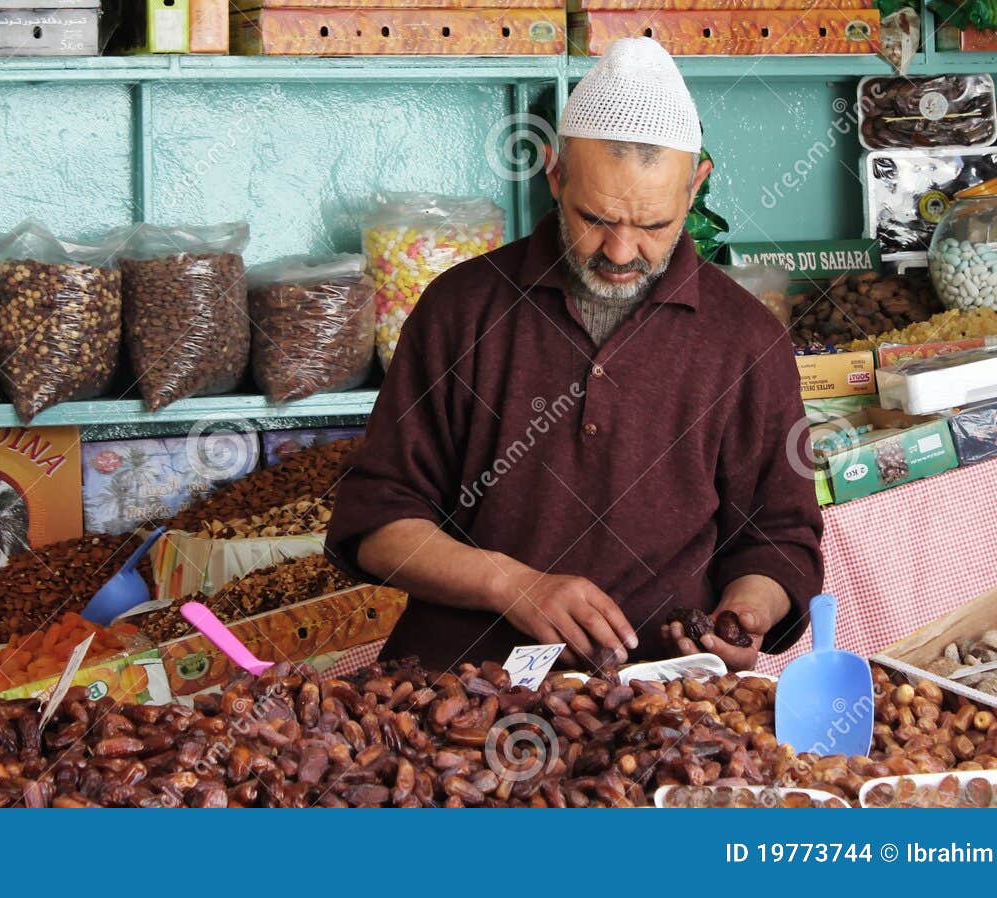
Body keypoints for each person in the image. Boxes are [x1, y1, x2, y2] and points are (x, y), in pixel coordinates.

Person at [326, 38, 822, 672]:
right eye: (595, 218)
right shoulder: (461, 309)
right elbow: (377, 525)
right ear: (555, 175)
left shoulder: (748, 337)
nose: (620, 252)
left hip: (660, 702)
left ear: (696, 186)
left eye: (652, 226)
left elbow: (782, 536)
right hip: (458, 689)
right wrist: (510, 584)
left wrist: (749, 611)